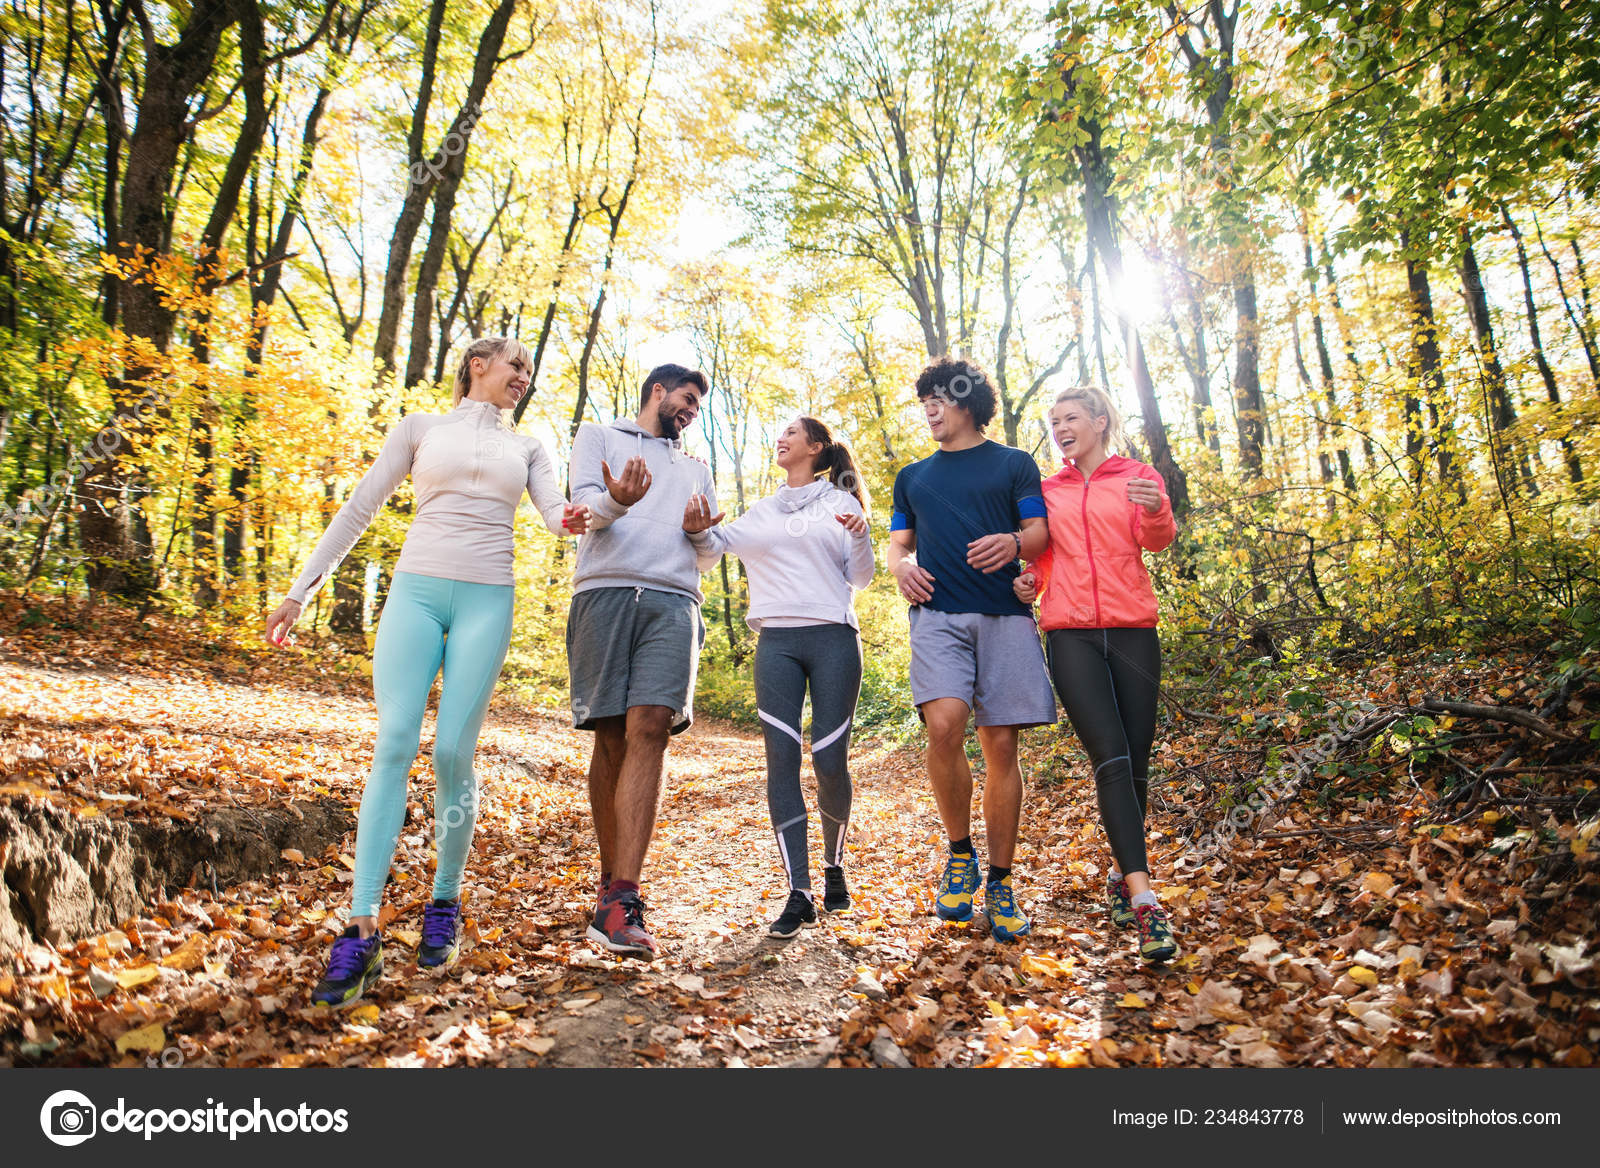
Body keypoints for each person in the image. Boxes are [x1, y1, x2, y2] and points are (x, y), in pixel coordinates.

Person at [264, 336, 589, 1008]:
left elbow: (560, 516)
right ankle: (360, 930)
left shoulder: (528, 447)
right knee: (393, 743)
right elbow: (360, 508)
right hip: (413, 593)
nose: (523, 377)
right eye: (514, 365)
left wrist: (594, 511)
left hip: (486, 598)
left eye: (529, 371)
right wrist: (302, 590)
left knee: (450, 753)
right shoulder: (420, 428)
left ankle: (444, 903)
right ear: (478, 364)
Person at [682, 417, 875, 938]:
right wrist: (695, 488)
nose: (780, 437)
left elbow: (862, 576)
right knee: (781, 762)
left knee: (830, 760)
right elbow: (707, 549)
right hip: (777, 645)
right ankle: (800, 891)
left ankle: (835, 863)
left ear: (815, 447)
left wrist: (860, 537)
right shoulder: (762, 512)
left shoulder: (842, 502)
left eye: (792, 432)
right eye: (779, 431)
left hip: (834, 638)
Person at [887, 356, 1057, 941]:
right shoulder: (913, 477)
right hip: (936, 617)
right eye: (924, 400)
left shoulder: (1014, 464)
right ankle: (961, 853)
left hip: (1006, 617)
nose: (930, 408)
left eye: (940, 397)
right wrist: (902, 567)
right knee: (943, 725)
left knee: (1001, 743)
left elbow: (1037, 534)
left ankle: (1003, 881)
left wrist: (1013, 540)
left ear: (969, 402)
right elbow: (898, 547)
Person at [1015, 385, 1179, 963]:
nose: (1060, 427)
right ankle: (1145, 900)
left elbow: (1154, 541)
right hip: (1070, 633)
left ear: (1100, 422)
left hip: (1134, 628)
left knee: (1136, 759)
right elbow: (1042, 557)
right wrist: (1030, 582)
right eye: (1054, 420)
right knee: (1108, 754)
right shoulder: (1045, 489)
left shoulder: (1137, 476)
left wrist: (1158, 511)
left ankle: (1120, 873)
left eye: (1071, 418)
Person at [566, 362, 718, 960]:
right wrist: (616, 499)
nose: (690, 412)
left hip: (674, 602)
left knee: (650, 728)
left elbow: (704, 557)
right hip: (604, 593)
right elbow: (580, 513)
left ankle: (626, 896)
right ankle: (610, 890)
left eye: (698, 408)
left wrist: (702, 535)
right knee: (610, 738)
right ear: (658, 391)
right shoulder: (598, 437)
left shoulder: (697, 467)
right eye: (686, 399)